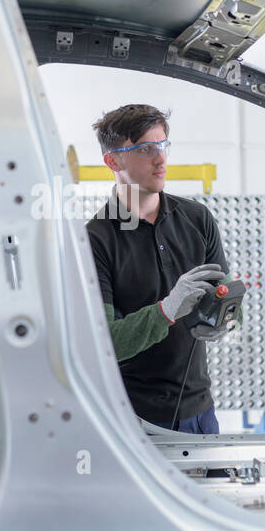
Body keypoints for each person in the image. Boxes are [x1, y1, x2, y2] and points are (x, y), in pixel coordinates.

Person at [85, 103, 232, 433]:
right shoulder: (96, 239)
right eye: (146, 148)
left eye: (163, 145)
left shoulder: (198, 219)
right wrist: (166, 310)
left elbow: (225, 292)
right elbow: (102, 340)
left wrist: (225, 319)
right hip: (131, 418)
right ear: (113, 161)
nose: (161, 158)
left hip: (200, 409)